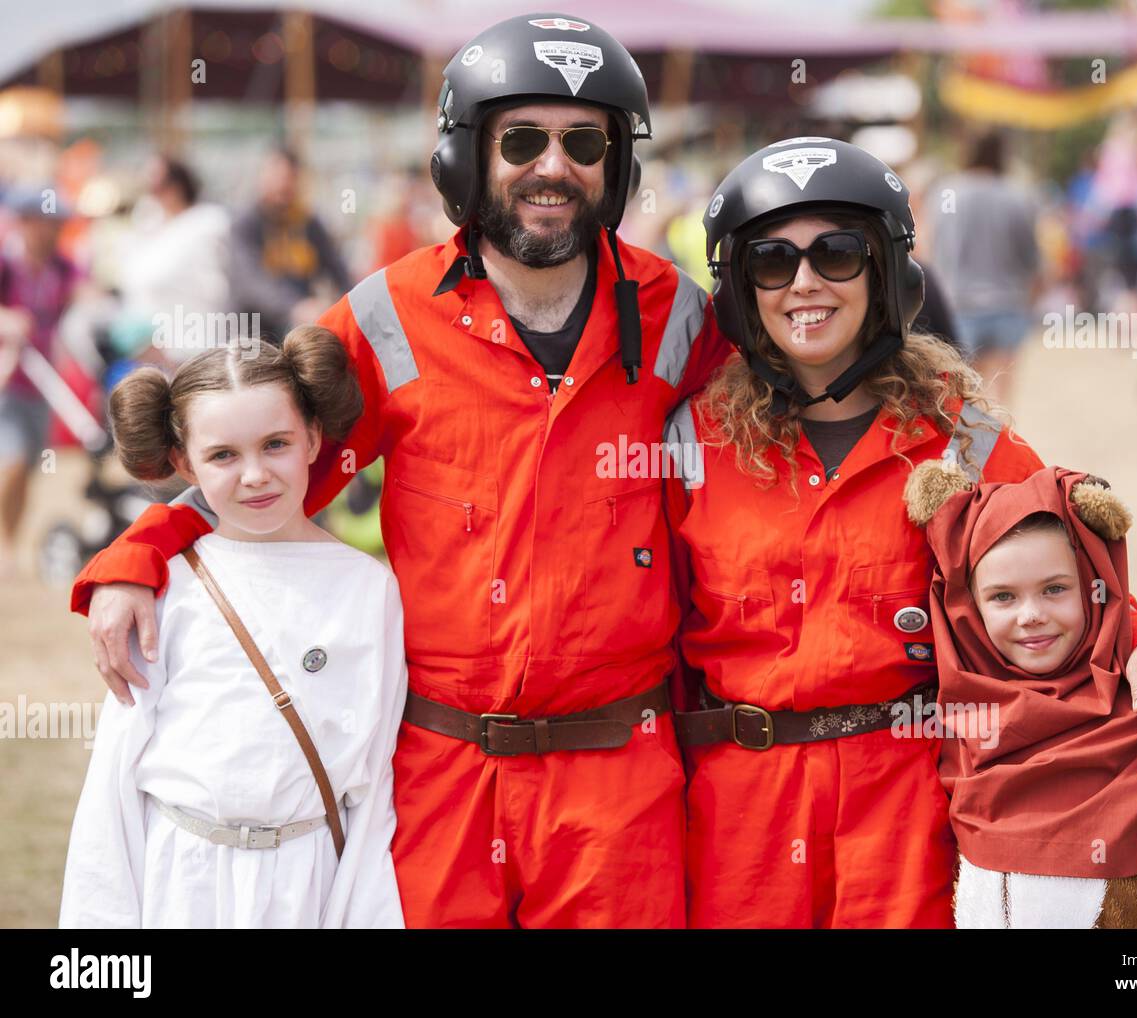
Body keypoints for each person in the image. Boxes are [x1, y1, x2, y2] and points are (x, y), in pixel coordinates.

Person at [70, 14, 730, 929]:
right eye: (523, 140)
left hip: (621, 790)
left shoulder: (682, 320)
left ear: (617, 165)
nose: (554, 166)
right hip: (438, 783)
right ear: (467, 155)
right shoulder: (386, 317)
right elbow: (268, 460)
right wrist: (140, 550)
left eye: (586, 141)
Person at [664, 138, 1137, 928]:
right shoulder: (686, 441)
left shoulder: (968, 438)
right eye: (772, 262)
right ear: (742, 287)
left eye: (838, 253)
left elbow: (1066, 579)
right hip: (740, 818)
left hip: (915, 800)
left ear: (886, 272)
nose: (805, 283)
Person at [59, 327, 406, 928]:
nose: (254, 476)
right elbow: (115, 781)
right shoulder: (161, 586)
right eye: (223, 455)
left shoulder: (368, 589)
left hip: (310, 878)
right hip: (180, 879)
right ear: (182, 462)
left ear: (313, 438)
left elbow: (374, 786)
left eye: (276, 444)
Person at [905, 460, 1137, 928]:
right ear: (968, 611)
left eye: (1056, 589)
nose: (1031, 615)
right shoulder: (961, 728)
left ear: (1095, 590)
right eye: (1002, 597)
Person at [0, 186, 81, 578]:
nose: (49, 230)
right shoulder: (6, 264)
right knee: (12, 461)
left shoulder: (64, 269)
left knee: (28, 468)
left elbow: (85, 295)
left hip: (44, 385)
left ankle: (10, 543)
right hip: (7, 383)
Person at [926, 130, 1040, 404]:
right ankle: (1001, 444)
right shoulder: (1017, 195)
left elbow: (934, 249)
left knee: (966, 394)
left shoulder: (947, 193)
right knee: (1002, 396)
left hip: (958, 303)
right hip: (1007, 301)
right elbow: (1030, 255)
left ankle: (973, 445)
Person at [118, 155, 232, 366]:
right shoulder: (147, 227)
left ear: (178, 185)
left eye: (158, 185)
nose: (152, 193)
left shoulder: (207, 224)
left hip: (189, 350)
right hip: (146, 354)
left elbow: (214, 291)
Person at [228, 148, 351, 341]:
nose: (283, 185)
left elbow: (335, 265)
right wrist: (294, 306)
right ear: (262, 177)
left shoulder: (307, 222)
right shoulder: (246, 221)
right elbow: (250, 280)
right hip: (254, 330)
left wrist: (351, 300)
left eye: (290, 178)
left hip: (297, 326)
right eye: (277, 177)